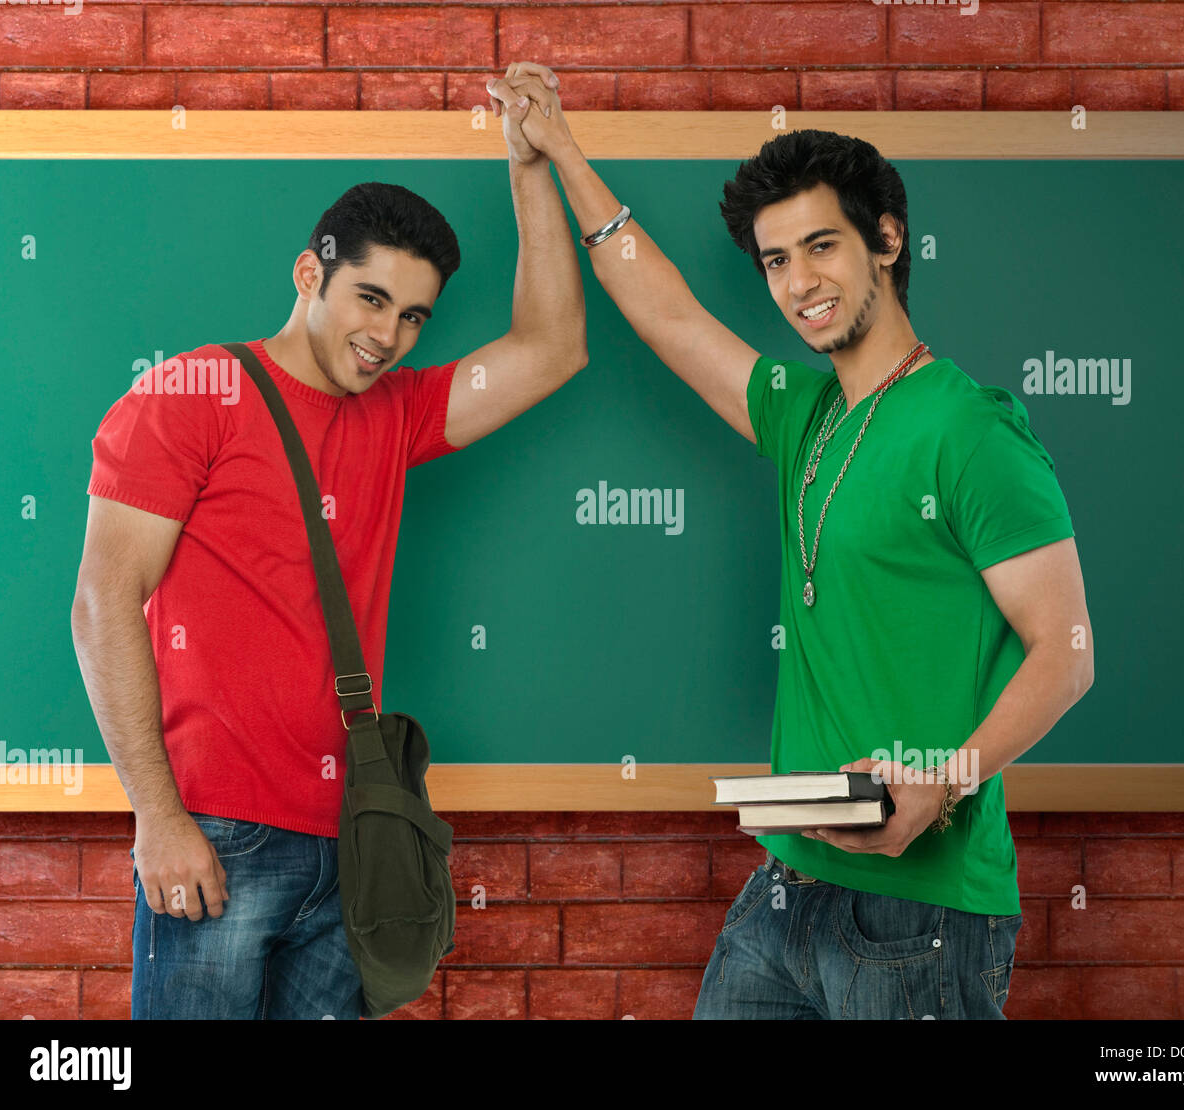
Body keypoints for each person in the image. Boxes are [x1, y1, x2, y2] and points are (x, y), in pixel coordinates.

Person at [509, 63, 1094, 1019]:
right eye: (776, 261)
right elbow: (667, 314)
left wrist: (942, 786)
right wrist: (561, 152)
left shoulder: (971, 429)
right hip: (786, 890)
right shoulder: (804, 415)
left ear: (888, 242)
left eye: (821, 246)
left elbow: (1068, 654)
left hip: (924, 915)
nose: (799, 283)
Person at [70, 64, 585, 1020]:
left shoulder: (397, 414)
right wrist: (158, 816)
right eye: (371, 298)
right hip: (214, 836)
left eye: (413, 315)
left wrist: (529, 168)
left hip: (351, 839)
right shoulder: (190, 397)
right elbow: (104, 602)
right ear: (311, 272)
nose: (389, 334)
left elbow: (553, 346)